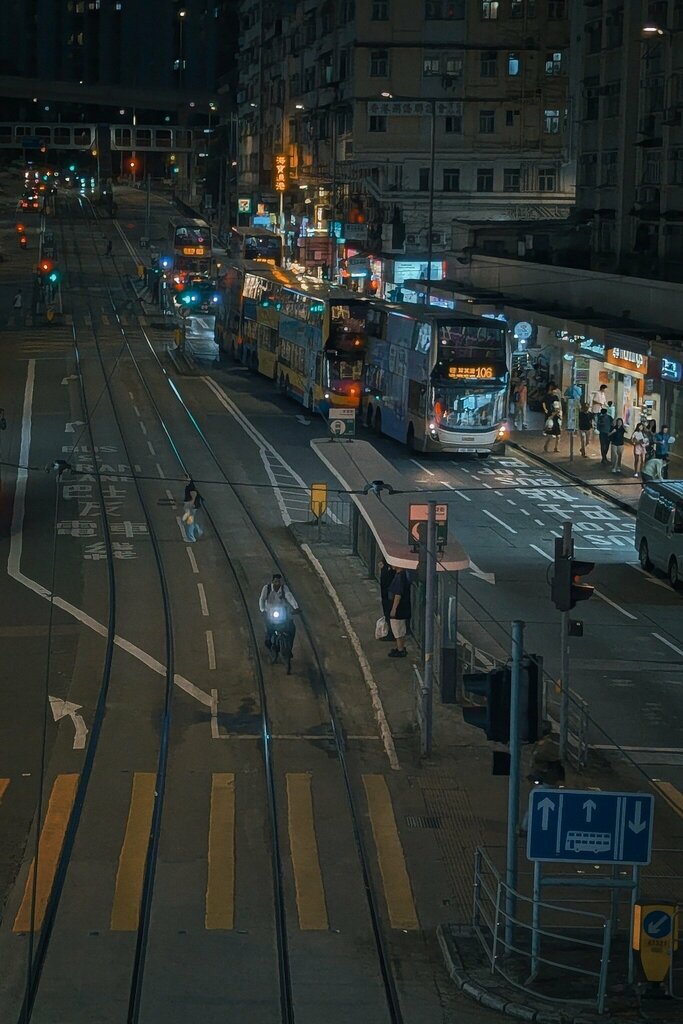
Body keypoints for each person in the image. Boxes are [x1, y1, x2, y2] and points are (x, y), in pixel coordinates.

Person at [258, 573, 299, 653]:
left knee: (292, 628)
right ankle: (268, 639)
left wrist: (296, 607)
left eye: (279, 582)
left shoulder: (284, 588)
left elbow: (289, 596)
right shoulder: (267, 588)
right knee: (269, 627)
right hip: (270, 612)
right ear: (272, 581)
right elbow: (262, 599)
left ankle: (289, 648)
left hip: (282, 611)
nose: (277, 583)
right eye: (275, 581)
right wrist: (262, 610)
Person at [387, 567, 411, 658]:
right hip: (403, 607)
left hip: (399, 608)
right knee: (400, 628)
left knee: (397, 628)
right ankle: (400, 647)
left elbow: (398, 594)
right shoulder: (403, 575)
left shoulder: (400, 577)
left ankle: (400, 649)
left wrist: (394, 609)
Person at [378, 559, 396, 643]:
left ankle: (392, 633)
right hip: (386, 592)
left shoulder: (393, 573)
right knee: (387, 611)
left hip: (389, 594)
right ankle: (391, 632)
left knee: (389, 612)